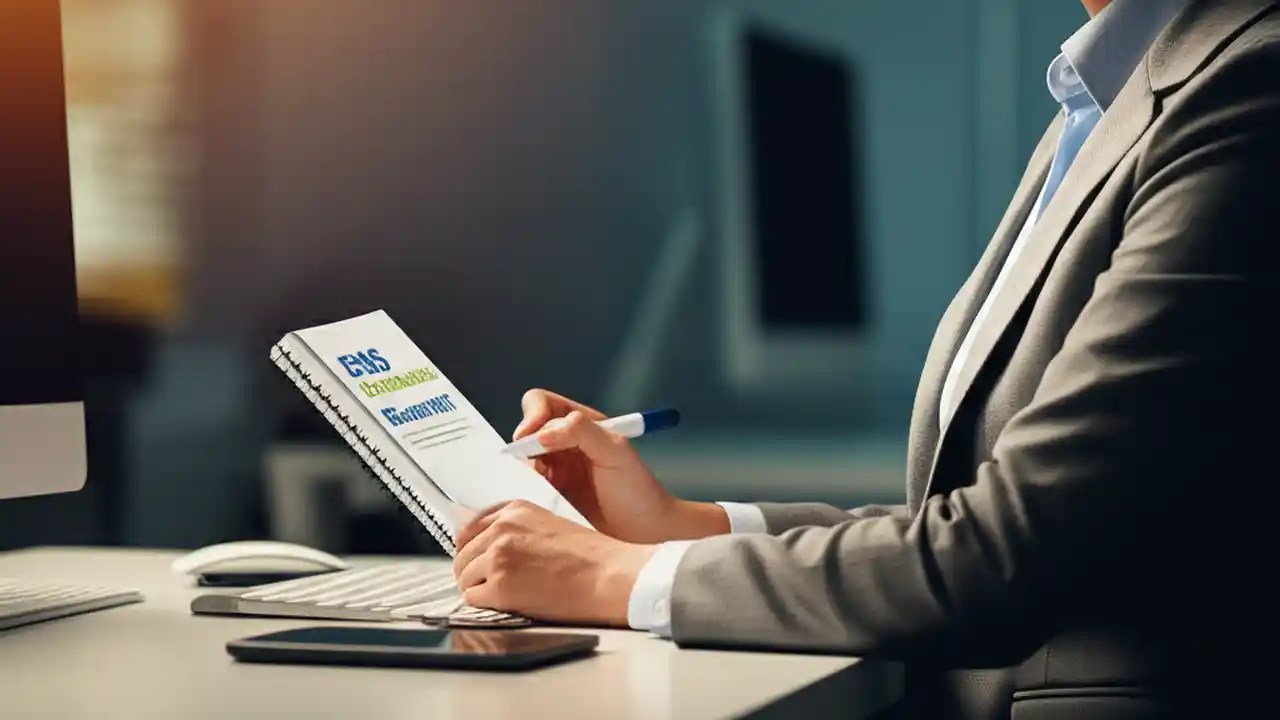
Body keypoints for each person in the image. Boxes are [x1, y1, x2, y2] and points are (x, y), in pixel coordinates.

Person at [453, 0, 1280, 716]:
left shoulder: (1247, 87)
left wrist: (622, 581)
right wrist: (683, 528)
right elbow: (977, 515)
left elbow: (1009, 557)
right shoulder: (1108, 93)